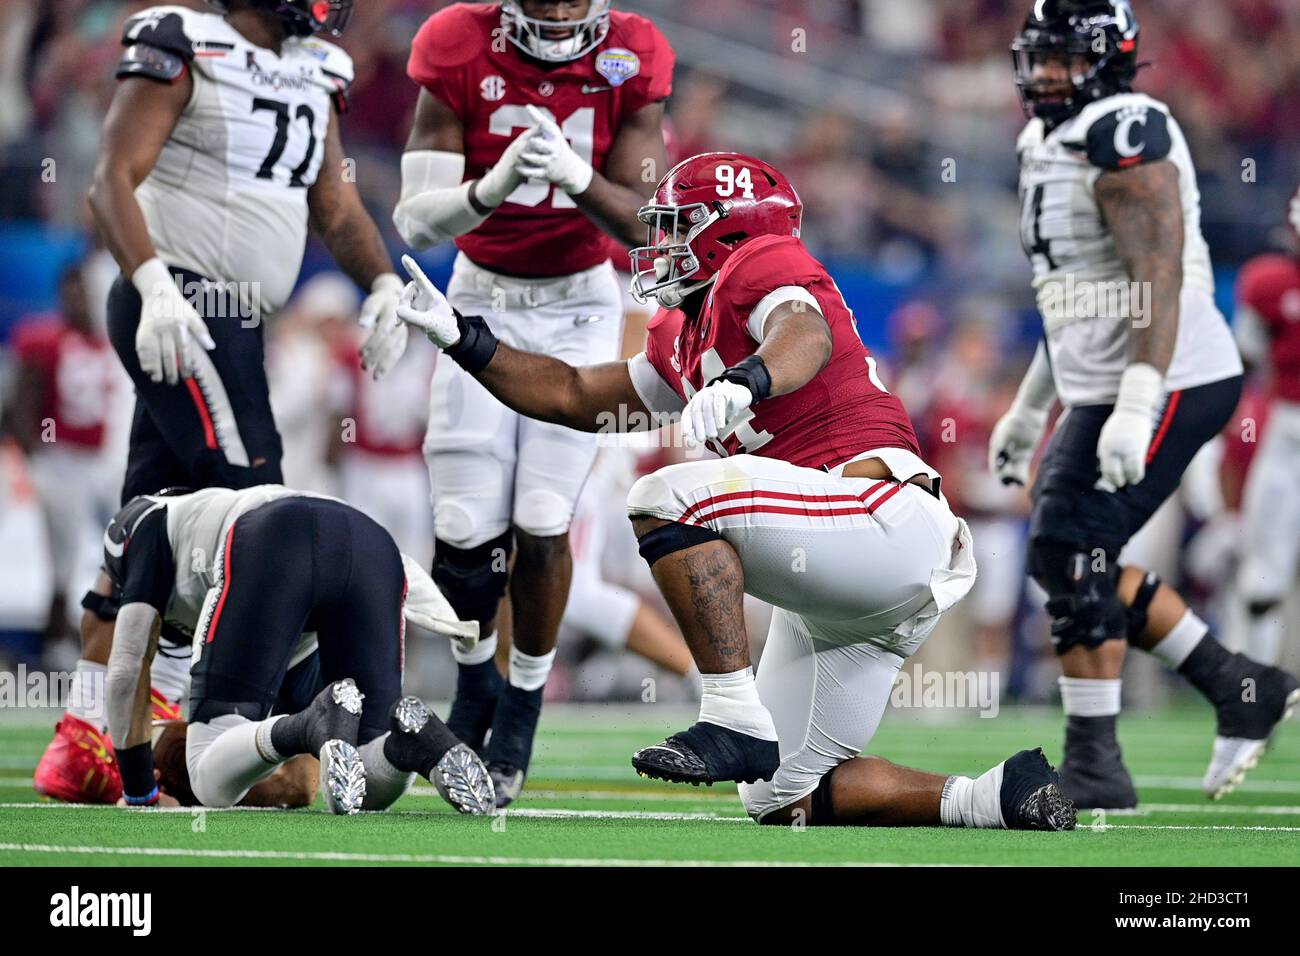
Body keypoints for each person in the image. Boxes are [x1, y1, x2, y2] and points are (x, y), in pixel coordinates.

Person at [394, 151, 1076, 831]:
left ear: (726, 230)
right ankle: (992, 797)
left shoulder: (764, 263)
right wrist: (465, 340)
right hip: (850, 585)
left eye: (677, 226)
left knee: (667, 496)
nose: (659, 244)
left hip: (882, 517)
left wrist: (748, 380)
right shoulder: (682, 335)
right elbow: (574, 393)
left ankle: (729, 712)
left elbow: (799, 331)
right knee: (781, 796)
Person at [991, 0, 1298, 807]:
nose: (1048, 74)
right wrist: (1030, 408)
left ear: (1111, 60)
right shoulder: (1042, 140)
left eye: (1066, 59)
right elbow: (1068, 295)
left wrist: (1136, 399)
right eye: (1042, 58)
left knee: (1072, 546)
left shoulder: (1126, 127)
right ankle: (1227, 689)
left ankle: (1112, 752)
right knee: (1063, 558)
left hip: (1172, 373)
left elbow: (1151, 277)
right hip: (1106, 378)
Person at [391, 0, 674, 806]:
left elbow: (653, 226)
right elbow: (416, 219)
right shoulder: (453, 40)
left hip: (582, 304)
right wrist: (492, 187)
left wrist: (580, 180)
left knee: (544, 520)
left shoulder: (636, 52)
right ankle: (477, 679)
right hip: (478, 292)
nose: (554, 11)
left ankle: (521, 705)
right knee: (460, 536)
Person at [95, 485, 493, 814]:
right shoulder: (218, 519)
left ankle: (308, 725)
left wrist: (138, 793)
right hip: (371, 545)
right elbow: (302, 778)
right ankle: (407, 744)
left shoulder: (145, 526)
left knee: (208, 776)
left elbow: (127, 668)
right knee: (366, 785)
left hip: (276, 541)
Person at [1227, 189, 1300, 668]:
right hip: (1289, 433)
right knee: (1264, 572)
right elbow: (1241, 359)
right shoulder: (1270, 282)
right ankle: (1255, 690)